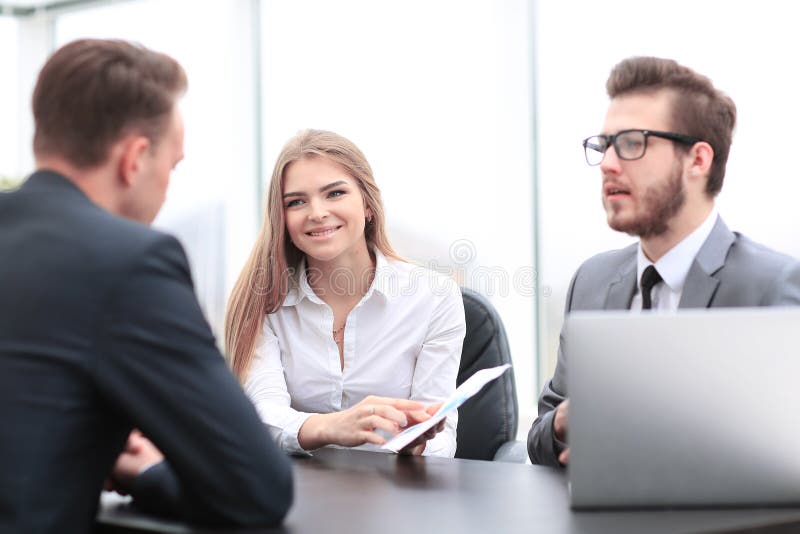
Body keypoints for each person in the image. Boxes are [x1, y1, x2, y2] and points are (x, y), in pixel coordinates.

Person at [0, 39, 293, 532]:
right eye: (171, 166)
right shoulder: (129, 262)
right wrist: (147, 472)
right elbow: (256, 487)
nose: (167, 185)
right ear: (134, 159)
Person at [528, 56, 800, 467]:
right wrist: (565, 422)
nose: (607, 163)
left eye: (633, 143)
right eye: (604, 145)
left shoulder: (772, 286)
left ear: (698, 160)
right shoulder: (592, 281)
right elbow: (538, 440)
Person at [225, 129, 465, 457]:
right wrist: (331, 427)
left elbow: (440, 437)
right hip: (296, 492)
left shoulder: (435, 298)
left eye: (334, 193)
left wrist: (418, 444)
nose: (317, 212)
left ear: (367, 204)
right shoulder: (266, 301)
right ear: (282, 219)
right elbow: (261, 417)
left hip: (397, 491)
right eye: (296, 202)